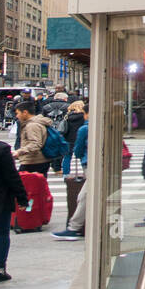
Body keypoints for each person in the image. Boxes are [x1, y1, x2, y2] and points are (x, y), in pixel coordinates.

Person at [0, 113, 29, 284]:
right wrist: (22, 198)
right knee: (0, 233)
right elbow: (12, 177)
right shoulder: (1, 149)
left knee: (0, 233)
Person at [52, 103, 88, 241]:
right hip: (94, 164)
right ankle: (75, 227)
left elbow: (78, 150)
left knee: (84, 196)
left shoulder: (84, 128)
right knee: (84, 196)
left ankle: (74, 228)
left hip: (88, 163)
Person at [11, 97, 50, 175]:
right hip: (37, 160)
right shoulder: (36, 122)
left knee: (22, 184)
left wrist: (19, 151)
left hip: (33, 161)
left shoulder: (32, 125)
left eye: (18, 113)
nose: (17, 116)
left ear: (25, 112)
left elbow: (36, 144)